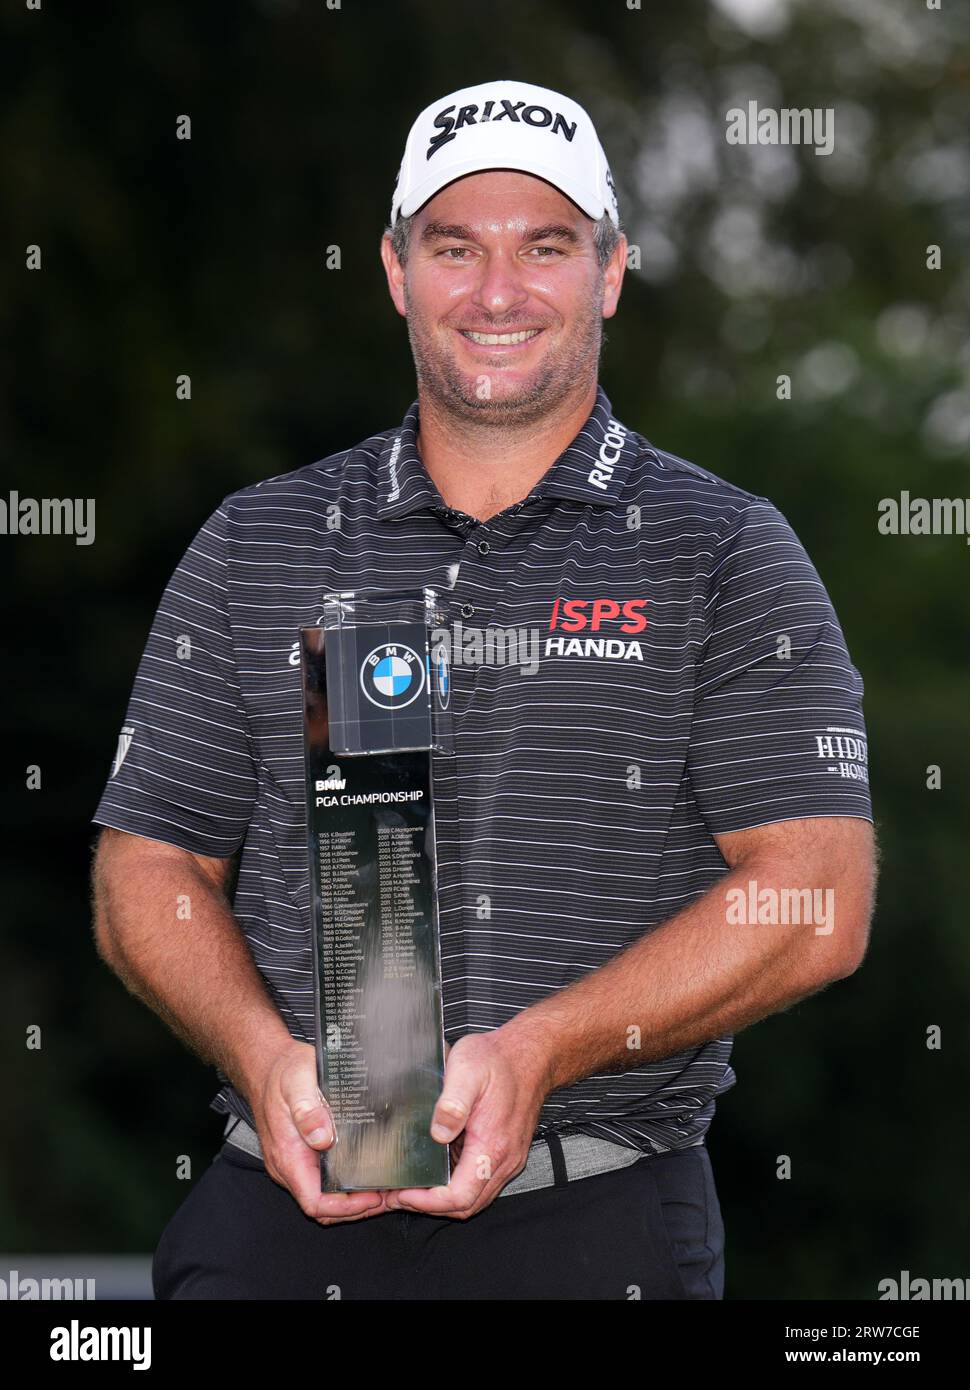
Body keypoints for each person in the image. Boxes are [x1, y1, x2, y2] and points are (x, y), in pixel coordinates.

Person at [91, 79, 876, 1300]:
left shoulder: (720, 548)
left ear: (610, 271)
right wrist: (257, 1052)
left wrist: (542, 1049)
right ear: (396, 271)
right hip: (280, 1212)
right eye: (454, 248)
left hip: (593, 1220)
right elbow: (148, 870)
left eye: (544, 247)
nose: (497, 291)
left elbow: (818, 894)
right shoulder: (261, 537)